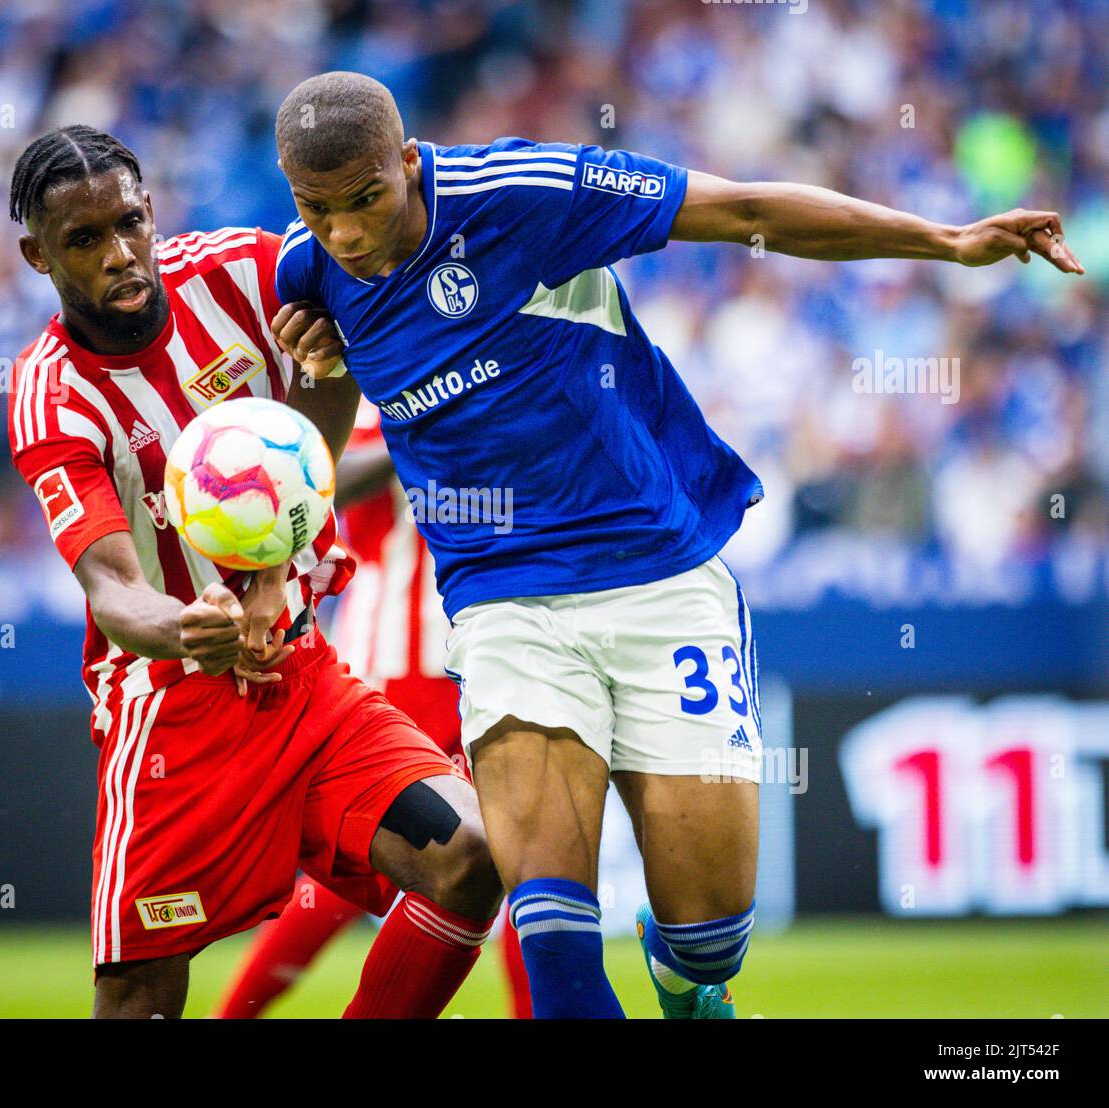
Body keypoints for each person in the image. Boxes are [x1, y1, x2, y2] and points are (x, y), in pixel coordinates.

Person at [269, 71, 1084, 1019]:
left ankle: (685, 971)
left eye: (366, 199)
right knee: (556, 942)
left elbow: (740, 209)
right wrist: (303, 436)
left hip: (657, 569)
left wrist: (944, 240)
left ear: (409, 162)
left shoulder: (525, 196)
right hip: (502, 599)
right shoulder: (309, 268)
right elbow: (317, 417)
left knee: (709, 932)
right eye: (317, 210)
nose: (347, 233)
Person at [6, 124, 504, 1019]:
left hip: (303, 676)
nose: (120, 254)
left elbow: (329, 372)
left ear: (151, 209)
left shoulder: (248, 269)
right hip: (173, 713)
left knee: (470, 856)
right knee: (140, 996)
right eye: (85, 240)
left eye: (129, 223)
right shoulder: (56, 394)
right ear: (37, 254)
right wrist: (183, 627)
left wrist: (337, 360)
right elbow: (113, 591)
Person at [215, 398, 533, 1019]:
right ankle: (232, 1014)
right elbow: (324, 479)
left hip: (494, 653)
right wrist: (409, 439)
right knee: (386, 853)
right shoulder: (378, 386)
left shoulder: (506, 372)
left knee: (525, 852)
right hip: (395, 654)